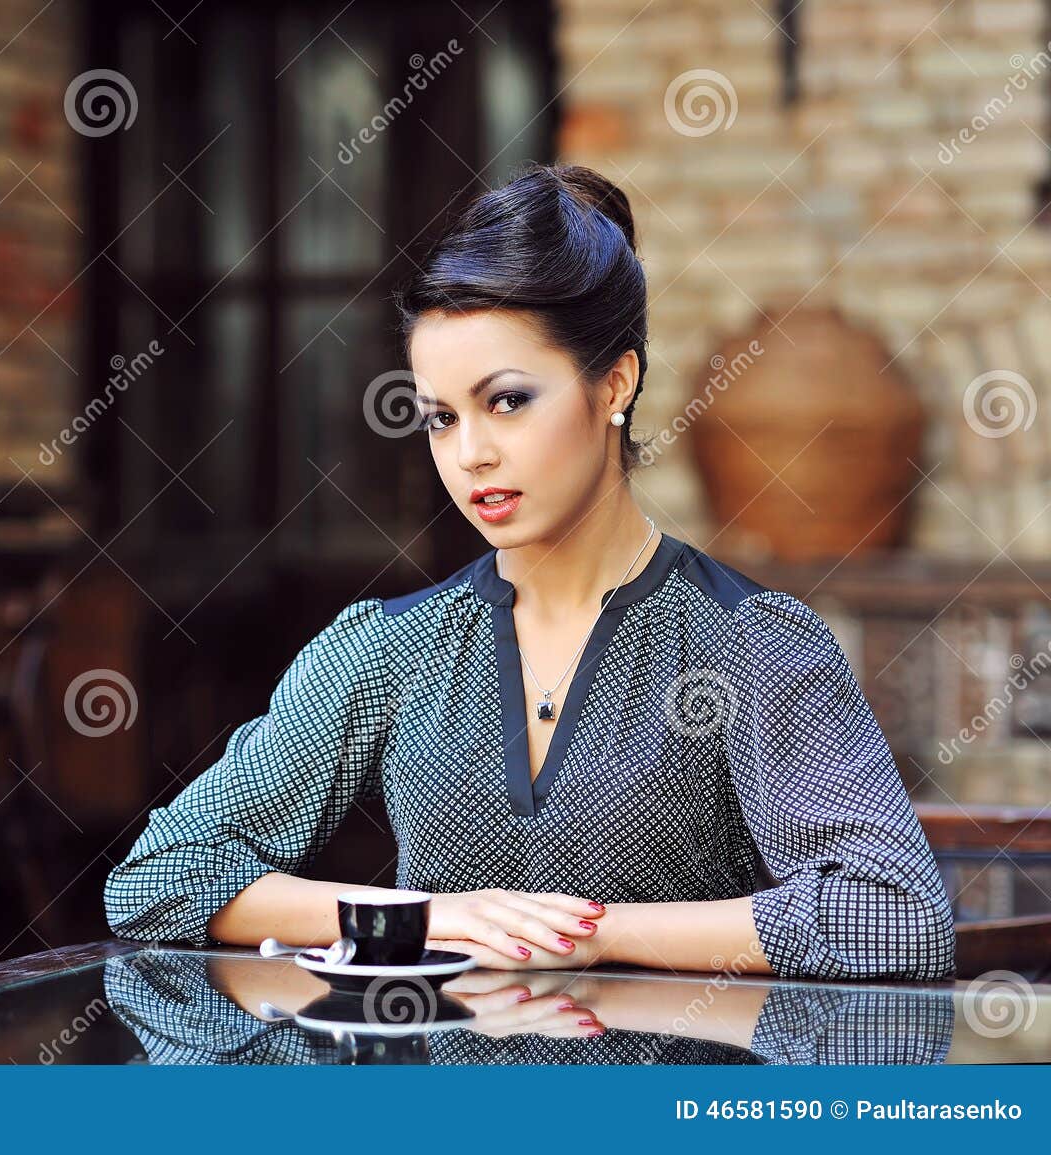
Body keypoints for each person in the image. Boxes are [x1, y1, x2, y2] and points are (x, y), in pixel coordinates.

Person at [104, 163, 955, 981]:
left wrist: (597, 934)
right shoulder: (388, 651)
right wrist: (428, 917)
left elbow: (898, 912)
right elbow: (156, 878)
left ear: (614, 384)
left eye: (507, 400)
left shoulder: (750, 644)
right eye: (441, 418)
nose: (470, 453)